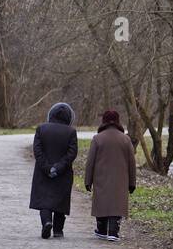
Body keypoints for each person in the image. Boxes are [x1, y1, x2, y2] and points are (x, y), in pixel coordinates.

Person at [84, 110, 136, 241]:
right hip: (121, 179)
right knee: (117, 203)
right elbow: (131, 163)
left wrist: (88, 181)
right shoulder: (126, 139)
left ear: (104, 121)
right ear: (118, 121)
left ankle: (101, 229)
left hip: (101, 177)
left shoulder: (98, 138)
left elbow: (90, 161)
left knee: (102, 201)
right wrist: (132, 183)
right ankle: (114, 231)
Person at [30, 102, 78, 239]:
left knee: (44, 200)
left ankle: (46, 222)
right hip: (63, 173)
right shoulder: (71, 132)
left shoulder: (41, 129)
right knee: (60, 201)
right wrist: (58, 167)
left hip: (43, 171)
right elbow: (72, 153)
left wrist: (47, 167)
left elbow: (37, 151)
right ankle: (58, 230)